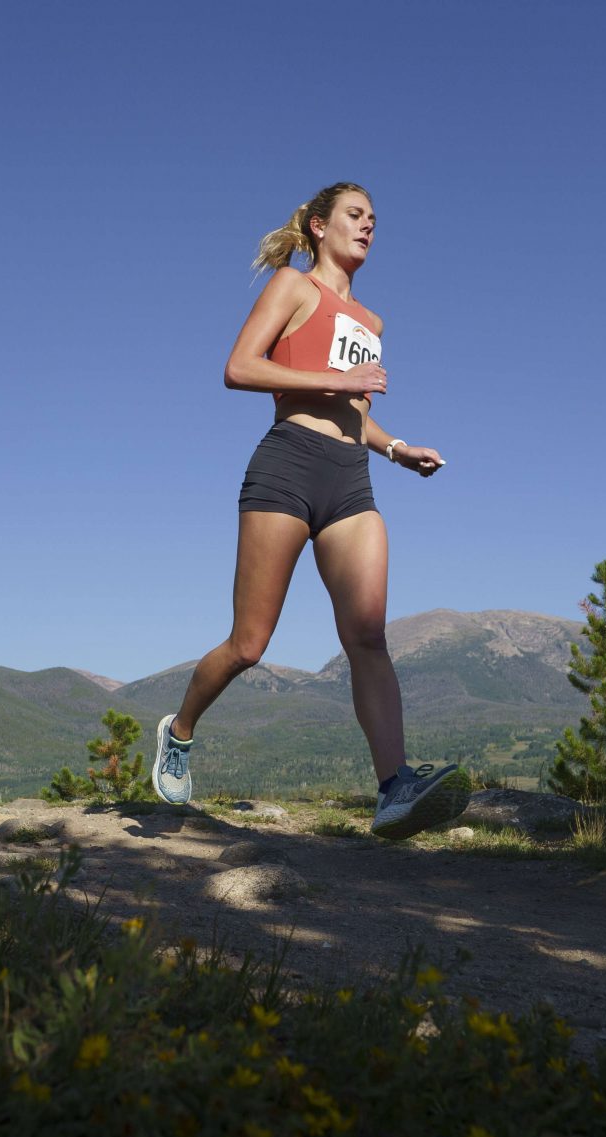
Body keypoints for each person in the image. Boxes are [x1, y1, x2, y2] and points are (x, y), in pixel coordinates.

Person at [152, 182, 469, 838]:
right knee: (249, 643)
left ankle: (393, 787)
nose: (369, 228)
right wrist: (336, 380)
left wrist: (399, 449)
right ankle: (179, 731)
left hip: (350, 479)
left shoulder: (373, 324)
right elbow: (240, 367)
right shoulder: (293, 287)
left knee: (368, 634)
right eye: (356, 216)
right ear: (320, 226)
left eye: (376, 221)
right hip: (287, 466)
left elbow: (356, 414)